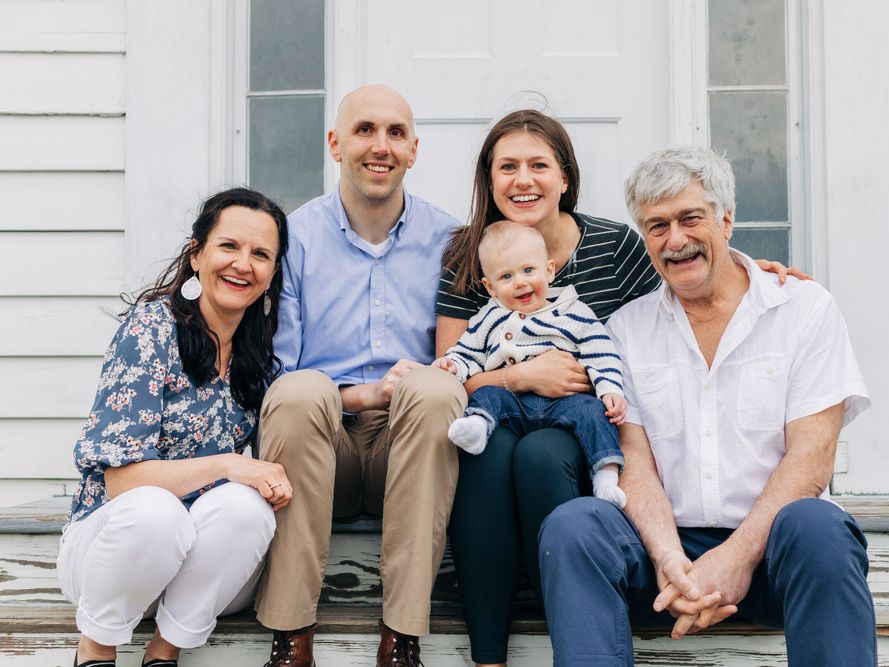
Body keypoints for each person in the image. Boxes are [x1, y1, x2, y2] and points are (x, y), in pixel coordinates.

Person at [436, 110, 801, 667]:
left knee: (540, 455)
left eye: (538, 165)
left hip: (585, 421)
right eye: (507, 167)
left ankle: (567, 608)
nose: (523, 179)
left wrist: (747, 273)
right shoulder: (471, 253)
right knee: (484, 451)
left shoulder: (614, 246)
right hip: (500, 401)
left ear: (565, 176)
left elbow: (680, 295)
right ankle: (489, 653)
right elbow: (452, 371)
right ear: (489, 179)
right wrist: (520, 376)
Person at [538, 146, 876, 666]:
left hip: (773, 551)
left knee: (819, 527)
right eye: (657, 226)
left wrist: (736, 558)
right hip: (663, 559)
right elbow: (634, 461)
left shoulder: (804, 310)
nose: (675, 240)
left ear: (726, 220)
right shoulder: (626, 330)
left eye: (690, 218)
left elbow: (812, 459)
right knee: (573, 525)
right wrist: (669, 558)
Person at [253, 84, 466, 667]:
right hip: (326, 447)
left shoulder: (451, 241)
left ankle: (402, 637)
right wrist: (365, 394)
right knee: (298, 391)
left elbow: (465, 355)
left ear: (414, 149)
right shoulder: (294, 238)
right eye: (365, 130)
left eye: (396, 133)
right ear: (335, 143)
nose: (380, 146)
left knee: (437, 387)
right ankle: (291, 636)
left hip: (410, 444)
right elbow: (279, 373)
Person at [57, 188, 291, 667]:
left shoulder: (259, 354)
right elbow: (121, 482)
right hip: (114, 557)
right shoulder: (151, 330)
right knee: (156, 512)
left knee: (247, 509)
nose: (243, 264)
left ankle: (163, 655)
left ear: (272, 274)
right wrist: (228, 465)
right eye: (229, 246)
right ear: (197, 255)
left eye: (260, 254)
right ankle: (95, 651)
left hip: (194, 576)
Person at [434, 221, 628, 508]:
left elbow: (601, 353)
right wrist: (453, 365)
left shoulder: (574, 312)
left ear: (548, 270)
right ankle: (477, 426)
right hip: (513, 402)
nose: (520, 282)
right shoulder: (489, 317)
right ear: (490, 287)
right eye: (506, 276)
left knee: (594, 412)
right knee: (487, 395)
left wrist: (610, 389)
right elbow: (468, 352)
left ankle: (606, 474)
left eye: (528, 270)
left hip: (564, 403)